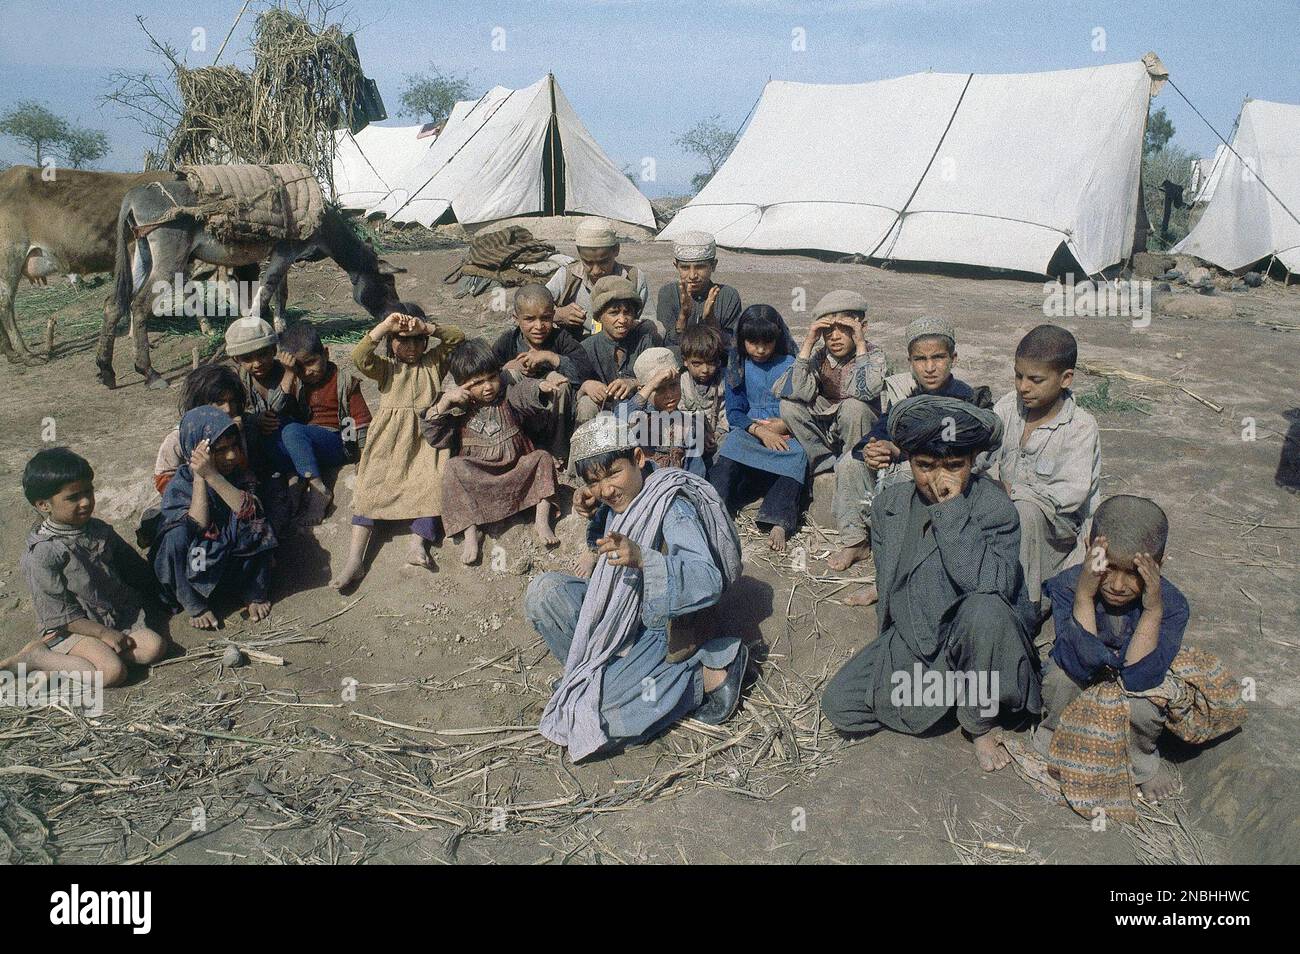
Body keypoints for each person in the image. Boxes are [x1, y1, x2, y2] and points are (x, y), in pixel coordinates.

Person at [821, 395, 1041, 773]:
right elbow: (890, 580)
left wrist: (952, 511)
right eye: (924, 466)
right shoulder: (889, 505)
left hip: (976, 640)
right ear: (907, 460)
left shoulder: (995, 509)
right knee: (840, 705)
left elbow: (992, 587)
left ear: (973, 463)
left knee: (985, 609)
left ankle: (980, 719)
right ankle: (949, 693)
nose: (939, 479)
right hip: (917, 640)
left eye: (954, 466)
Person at [526, 414, 749, 761]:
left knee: (602, 717)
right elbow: (606, 541)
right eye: (595, 482)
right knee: (544, 592)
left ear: (639, 458)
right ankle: (603, 673)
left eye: (614, 473)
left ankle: (708, 673)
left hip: (664, 628)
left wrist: (645, 558)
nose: (607, 489)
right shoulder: (616, 500)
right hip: (621, 616)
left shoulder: (671, 505)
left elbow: (708, 580)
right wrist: (594, 513)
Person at [1034, 496, 1193, 802]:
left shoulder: (1171, 605)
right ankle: (1054, 741)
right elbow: (1079, 664)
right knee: (1060, 680)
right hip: (1082, 676)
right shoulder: (1067, 587)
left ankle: (1140, 765)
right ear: (1088, 549)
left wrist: (1151, 613)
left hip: (1132, 685)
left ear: (1158, 564)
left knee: (1144, 707)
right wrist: (1083, 596)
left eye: (1134, 572)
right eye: (1107, 567)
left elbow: (1140, 679)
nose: (1118, 585)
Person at [834, 315, 989, 604]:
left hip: (944, 480)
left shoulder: (965, 399)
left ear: (953, 358)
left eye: (938, 357)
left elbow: (953, 448)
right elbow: (882, 431)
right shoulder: (905, 398)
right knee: (849, 464)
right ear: (910, 362)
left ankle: (892, 578)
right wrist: (871, 448)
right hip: (906, 466)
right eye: (920, 359)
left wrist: (899, 451)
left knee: (910, 477)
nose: (929, 367)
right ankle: (855, 542)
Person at [3, 448, 167, 687]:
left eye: (88, 491)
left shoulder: (97, 529)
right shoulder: (43, 553)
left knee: (153, 648)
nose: (86, 501)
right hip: (72, 628)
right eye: (73, 497)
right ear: (43, 505)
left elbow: (133, 567)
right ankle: (39, 657)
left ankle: (70, 663)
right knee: (112, 673)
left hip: (113, 617)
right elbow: (60, 615)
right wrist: (102, 634)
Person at [331, 307, 465, 589]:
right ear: (390, 343)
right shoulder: (386, 368)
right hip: (390, 439)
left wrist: (426, 327)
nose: (411, 346)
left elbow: (457, 339)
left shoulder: (434, 362)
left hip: (426, 436)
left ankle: (418, 544)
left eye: (417, 340)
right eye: (402, 339)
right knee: (370, 485)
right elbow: (359, 357)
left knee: (433, 483)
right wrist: (383, 326)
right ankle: (355, 560)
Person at [977, 324, 1100, 618]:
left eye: (1035, 379)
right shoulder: (1008, 406)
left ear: (1066, 379)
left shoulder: (1081, 427)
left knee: (1025, 512)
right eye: (1018, 376)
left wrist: (1012, 491)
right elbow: (983, 452)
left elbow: (1071, 494)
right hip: (1003, 508)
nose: (1023, 387)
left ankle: (1026, 605)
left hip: (1054, 527)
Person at [421, 339, 561, 564]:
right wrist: (444, 403)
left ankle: (542, 520)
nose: (487, 387)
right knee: (454, 467)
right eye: (477, 383)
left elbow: (524, 392)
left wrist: (539, 387)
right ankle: (470, 532)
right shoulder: (459, 408)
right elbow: (434, 436)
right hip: (481, 478)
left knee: (542, 458)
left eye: (492, 378)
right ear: (462, 386)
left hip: (515, 471)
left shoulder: (507, 396)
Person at [778, 290, 887, 572]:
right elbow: (792, 390)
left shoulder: (873, 355)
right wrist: (808, 344)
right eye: (829, 331)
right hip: (827, 428)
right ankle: (824, 462)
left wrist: (860, 345)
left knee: (854, 407)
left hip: (859, 431)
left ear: (861, 327)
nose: (835, 337)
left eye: (845, 329)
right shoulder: (819, 356)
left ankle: (853, 471)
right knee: (788, 408)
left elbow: (864, 391)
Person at [151, 406, 277, 630]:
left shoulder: (240, 475)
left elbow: (249, 512)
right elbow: (196, 526)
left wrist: (214, 476)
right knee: (175, 536)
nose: (232, 456)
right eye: (220, 450)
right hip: (195, 567)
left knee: (256, 524)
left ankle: (252, 591)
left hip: (230, 566)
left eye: (234, 446)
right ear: (196, 453)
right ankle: (194, 602)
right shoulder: (180, 484)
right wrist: (202, 477)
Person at [709, 305, 808, 552]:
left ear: (778, 338)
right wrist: (760, 431)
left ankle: (779, 520)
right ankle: (714, 507)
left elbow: (804, 406)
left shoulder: (790, 364)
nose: (760, 349)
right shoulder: (738, 365)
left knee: (798, 455)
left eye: (767, 342)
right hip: (751, 431)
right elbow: (735, 413)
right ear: (742, 341)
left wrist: (785, 424)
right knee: (731, 445)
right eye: (752, 342)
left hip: (785, 432)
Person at [276, 322, 372, 522]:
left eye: (311, 362)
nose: (308, 371)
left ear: (326, 353)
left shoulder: (344, 382)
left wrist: (363, 460)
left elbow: (361, 422)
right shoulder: (296, 381)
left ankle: (318, 489)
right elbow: (276, 410)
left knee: (292, 432)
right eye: (299, 367)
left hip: (337, 443)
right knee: (273, 437)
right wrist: (289, 373)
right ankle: (297, 476)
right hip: (307, 443)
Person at [491, 283, 595, 464]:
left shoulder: (561, 339)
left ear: (554, 316)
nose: (538, 326)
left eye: (545, 318)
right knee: (508, 375)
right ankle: (518, 444)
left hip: (556, 418)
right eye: (530, 319)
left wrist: (551, 357)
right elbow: (486, 375)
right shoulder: (508, 342)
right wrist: (510, 365)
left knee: (560, 384)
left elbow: (584, 372)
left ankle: (558, 450)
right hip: (521, 415)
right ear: (516, 318)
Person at [546, 217, 654, 339]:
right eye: (588, 263)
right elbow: (531, 308)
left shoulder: (634, 278)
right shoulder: (566, 276)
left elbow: (649, 323)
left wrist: (627, 323)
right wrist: (557, 314)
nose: (596, 271)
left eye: (603, 262)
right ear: (579, 253)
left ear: (616, 250)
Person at [576, 275, 662, 425]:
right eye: (614, 313)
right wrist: (586, 385)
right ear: (599, 316)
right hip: (602, 413)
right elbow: (572, 384)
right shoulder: (587, 348)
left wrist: (634, 383)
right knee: (586, 404)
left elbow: (659, 378)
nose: (622, 320)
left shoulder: (644, 341)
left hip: (637, 410)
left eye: (627, 313)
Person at [656, 231, 744, 352]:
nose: (692, 275)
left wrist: (710, 319)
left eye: (700, 267)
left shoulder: (728, 295)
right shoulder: (668, 293)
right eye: (685, 267)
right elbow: (668, 344)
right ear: (676, 266)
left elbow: (731, 344)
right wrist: (683, 316)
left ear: (713, 265)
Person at [677, 321, 729, 468]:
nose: (705, 370)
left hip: (719, 436)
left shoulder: (724, 380)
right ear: (685, 361)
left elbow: (726, 412)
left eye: (711, 363)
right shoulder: (681, 382)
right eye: (697, 364)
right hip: (694, 436)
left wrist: (719, 433)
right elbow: (680, 412)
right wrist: (700, 432)